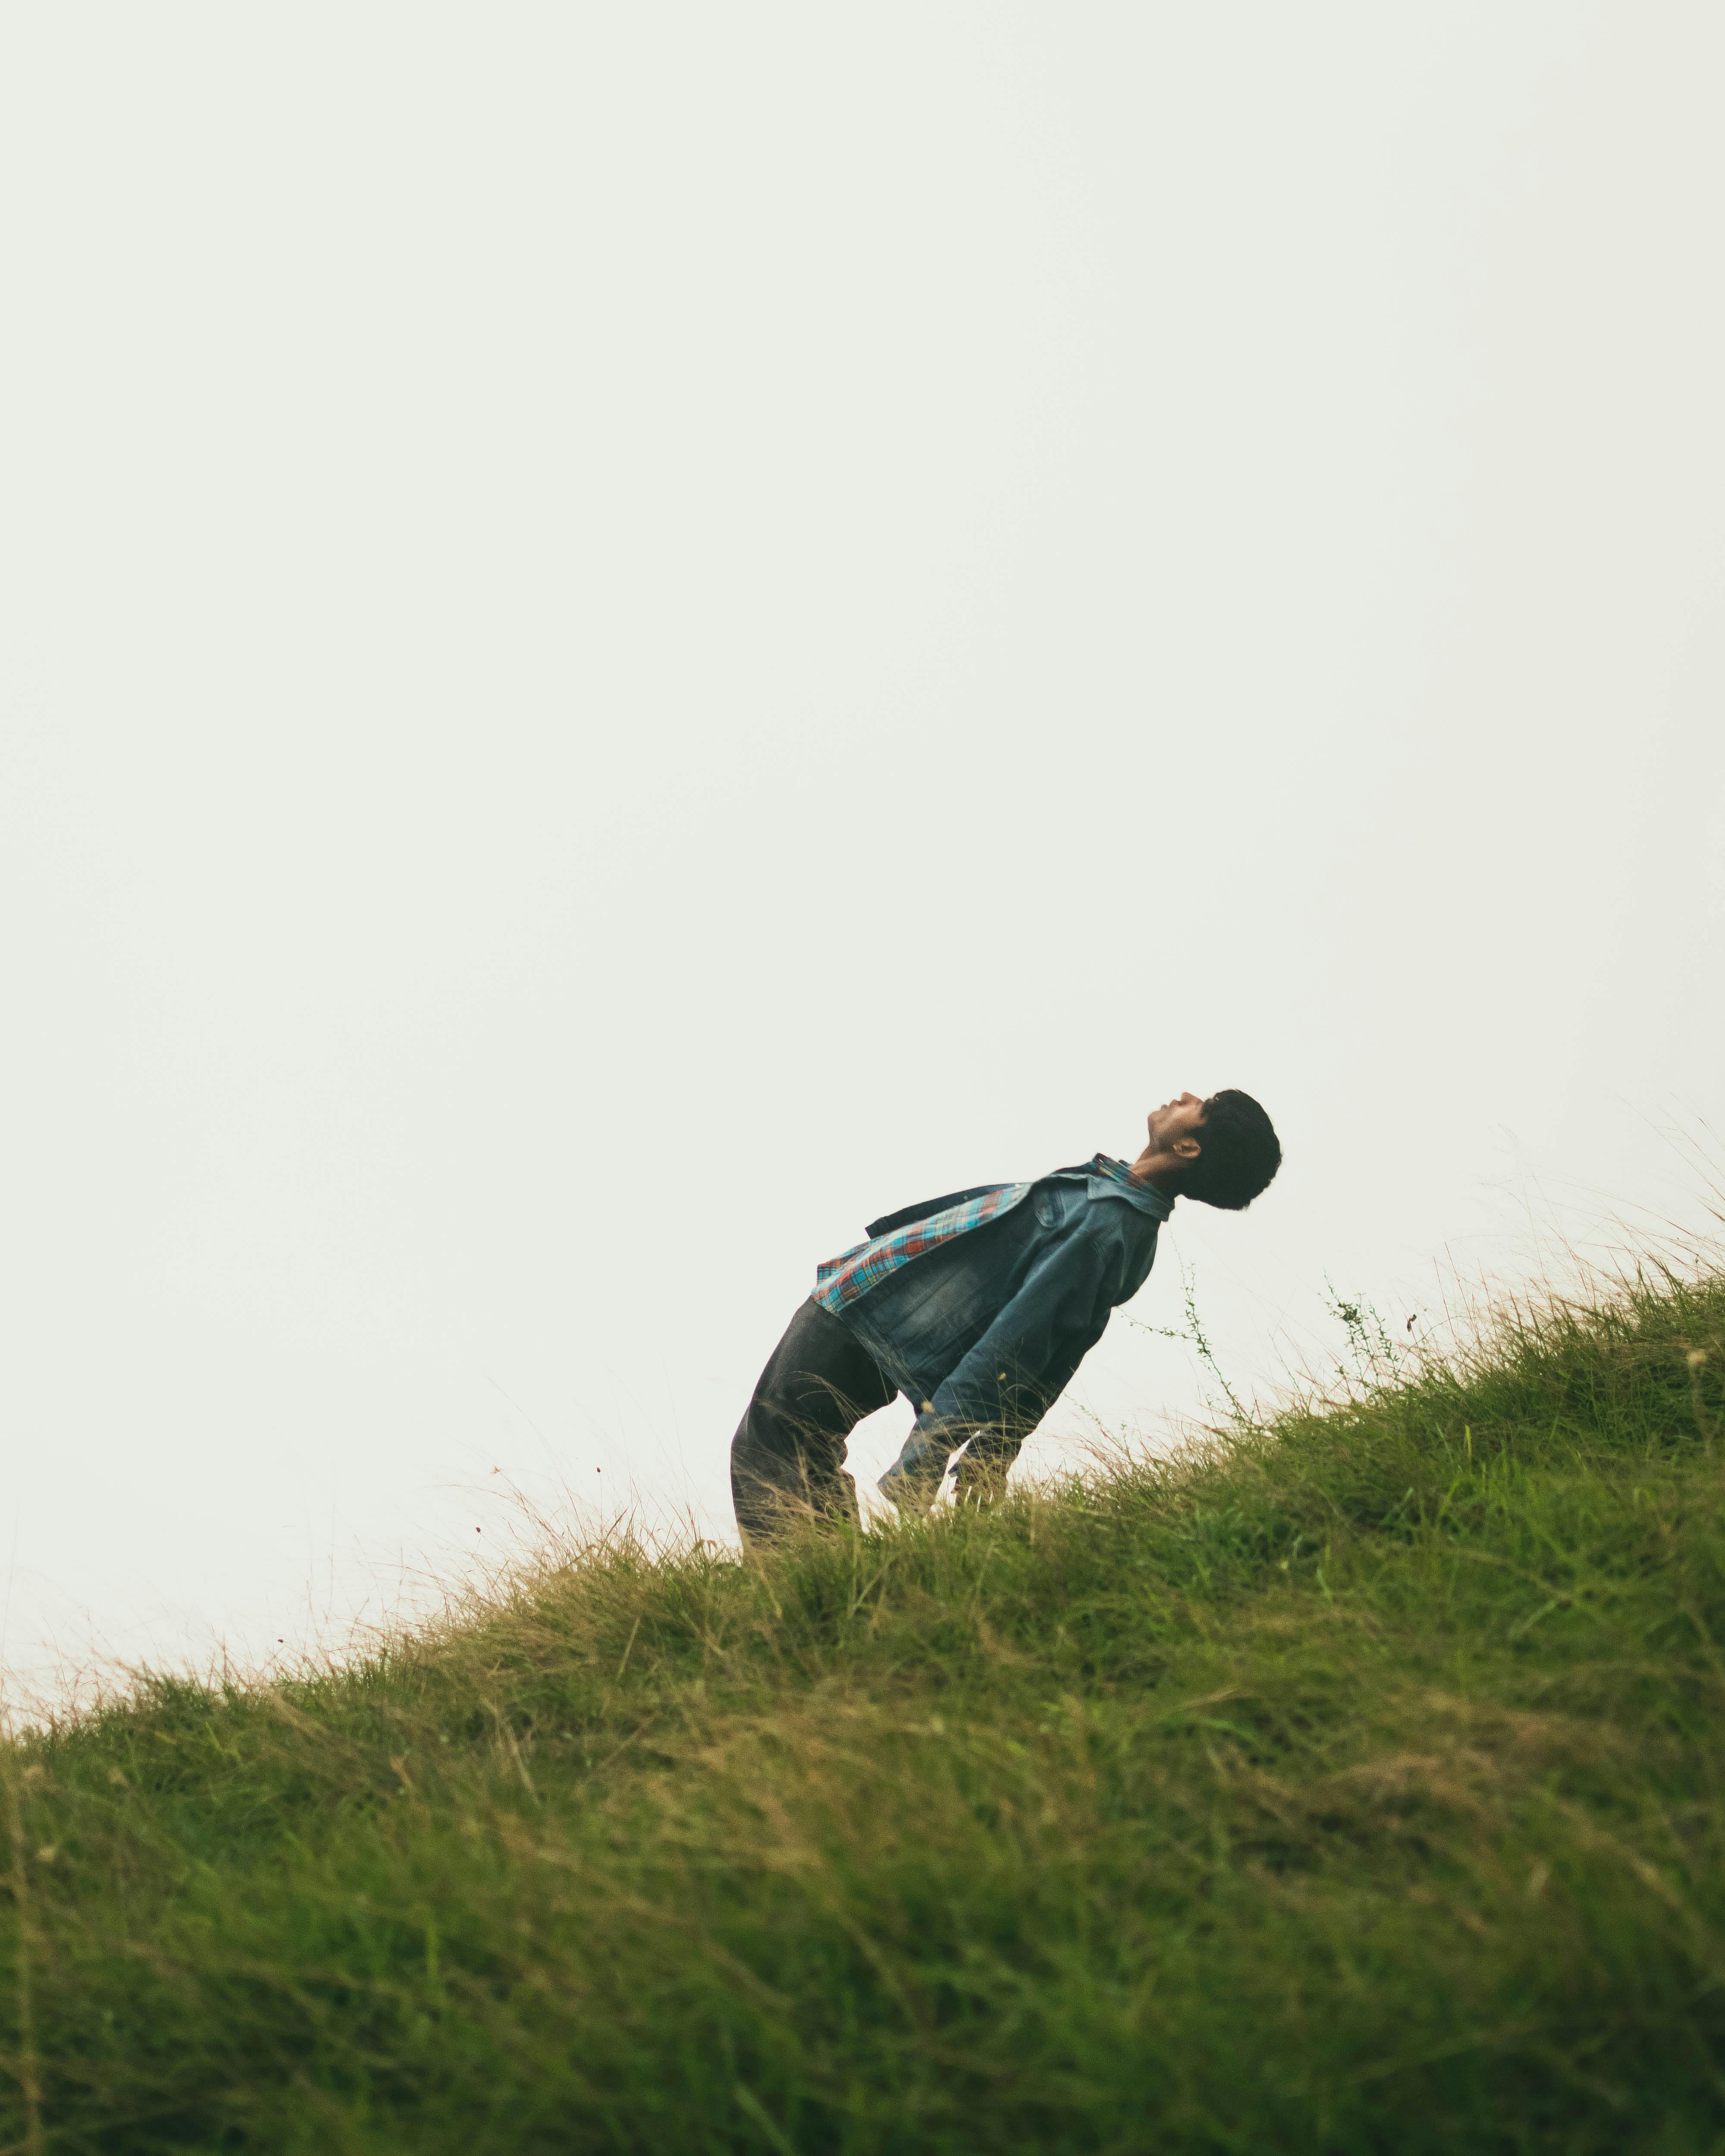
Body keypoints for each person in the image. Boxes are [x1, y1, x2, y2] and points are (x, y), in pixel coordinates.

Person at [728, 1089, 1282, 1544]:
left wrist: (932, 1450)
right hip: (869, 1303)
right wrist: (1000, 1441)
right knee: (796, 1450)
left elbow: (1021, 1340)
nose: (1183, 1096)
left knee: (771, 1446)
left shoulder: (1106, 1223)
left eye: (1200, 1105)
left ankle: (812, 1598)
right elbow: (1060, 1340)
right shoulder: (1112, 1202)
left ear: (1187, 1146)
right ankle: (829, 1589)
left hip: (866, 1323)